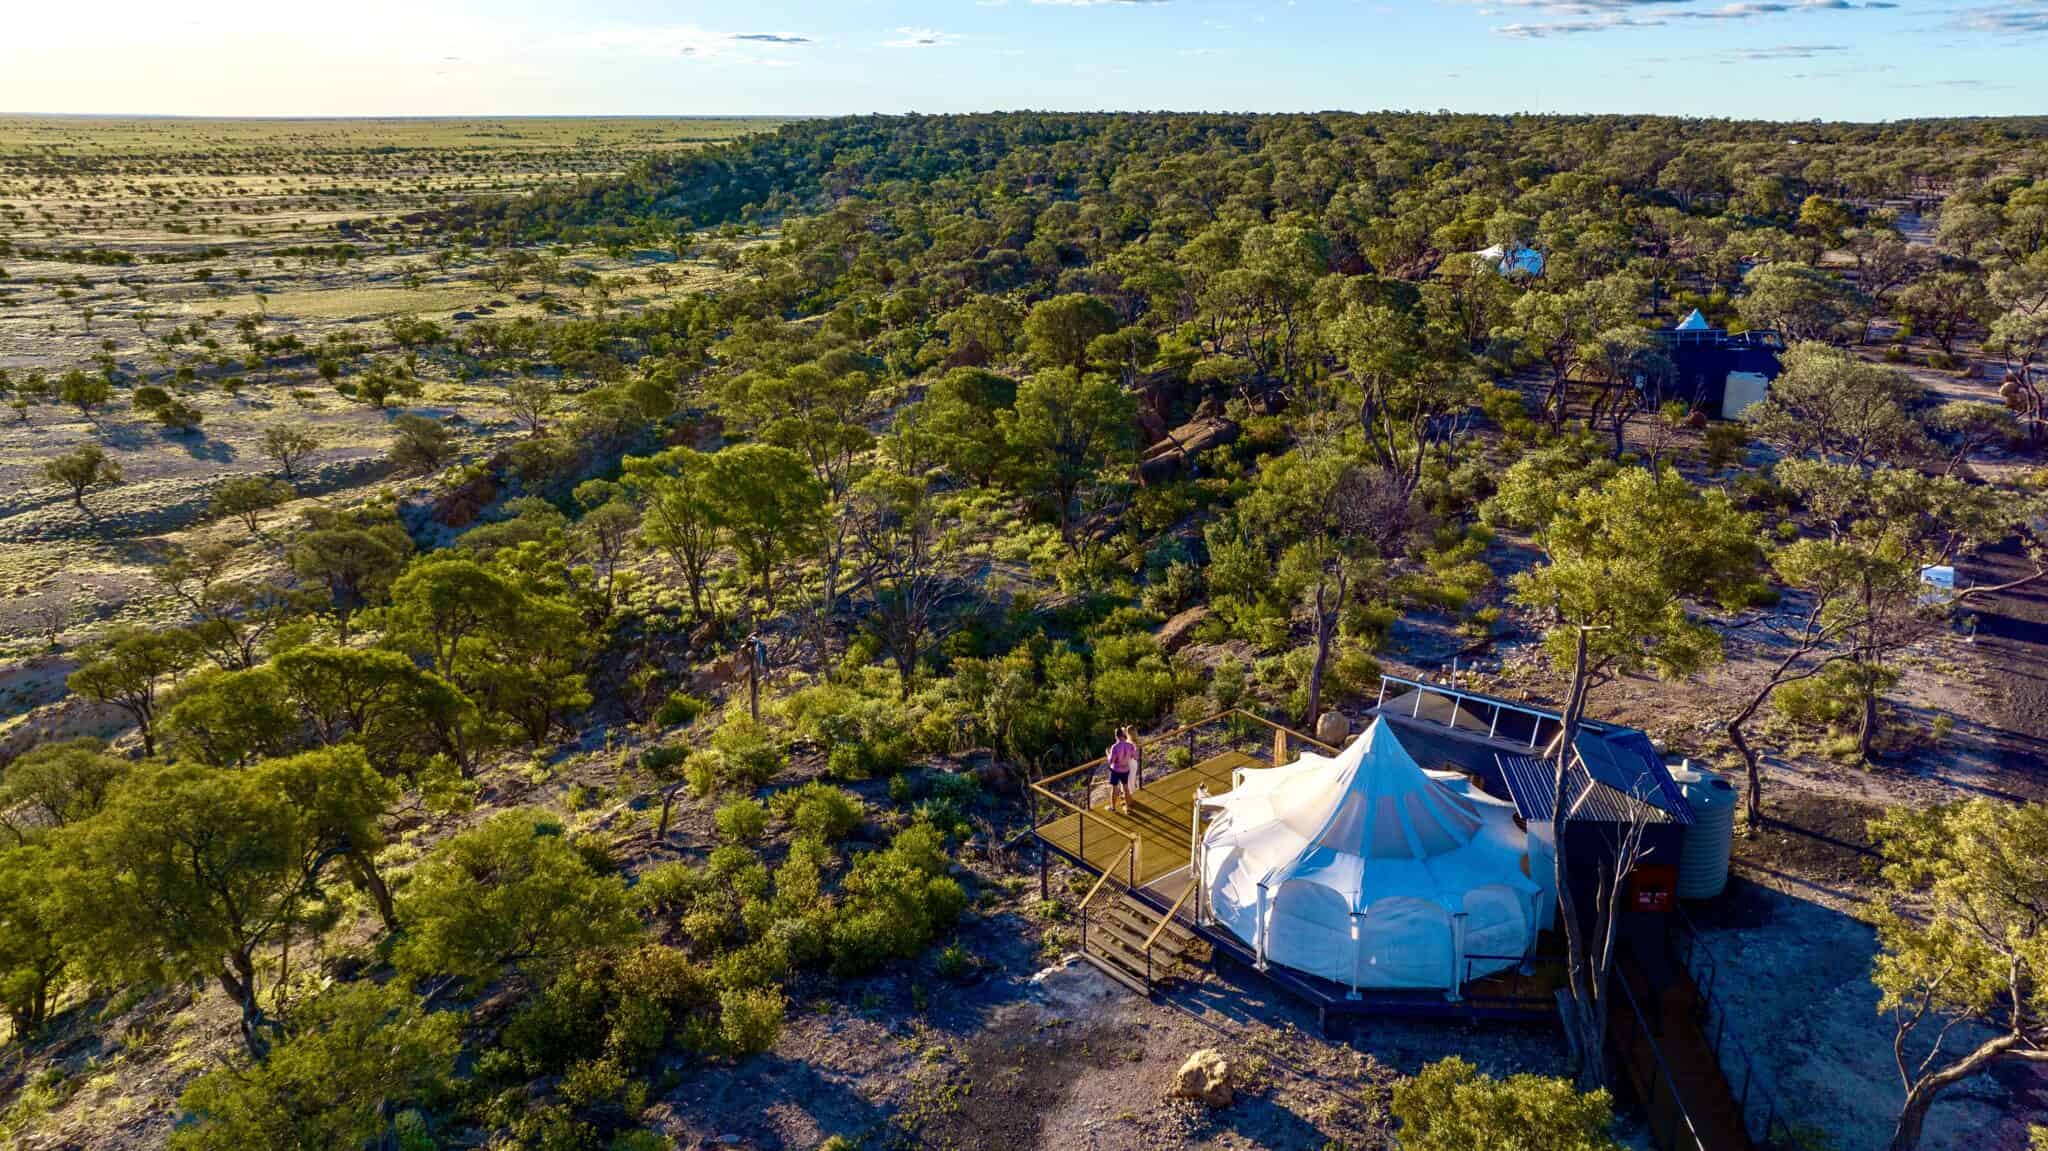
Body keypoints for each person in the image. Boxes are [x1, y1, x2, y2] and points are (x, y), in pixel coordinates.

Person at [1107, 726, 1139, 815]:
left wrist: (1108, 754)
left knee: (1114, 788)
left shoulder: (1115, 747)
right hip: (1125, 769)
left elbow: (1111, 761)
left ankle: (1113, 808)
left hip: (1116, 770)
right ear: (1123, 735)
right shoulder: (1130, 745)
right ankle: (1127, 808)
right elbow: (1135, 756)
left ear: (1116, 736)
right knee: (1126, 788)